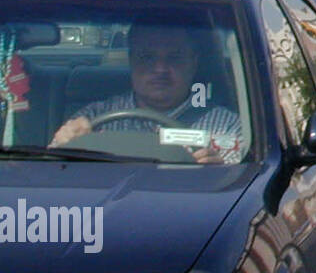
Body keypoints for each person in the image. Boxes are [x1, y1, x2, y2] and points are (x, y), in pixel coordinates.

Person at [49, 18, 243, 164]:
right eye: (147, 57)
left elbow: (243, 188)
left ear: (193, 63)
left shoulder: (227, 127)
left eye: (174, 57)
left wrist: (222, 174)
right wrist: (64, 145)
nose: (160, 68)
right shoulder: (95, 118)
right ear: (131, 61)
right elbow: (55, 173)